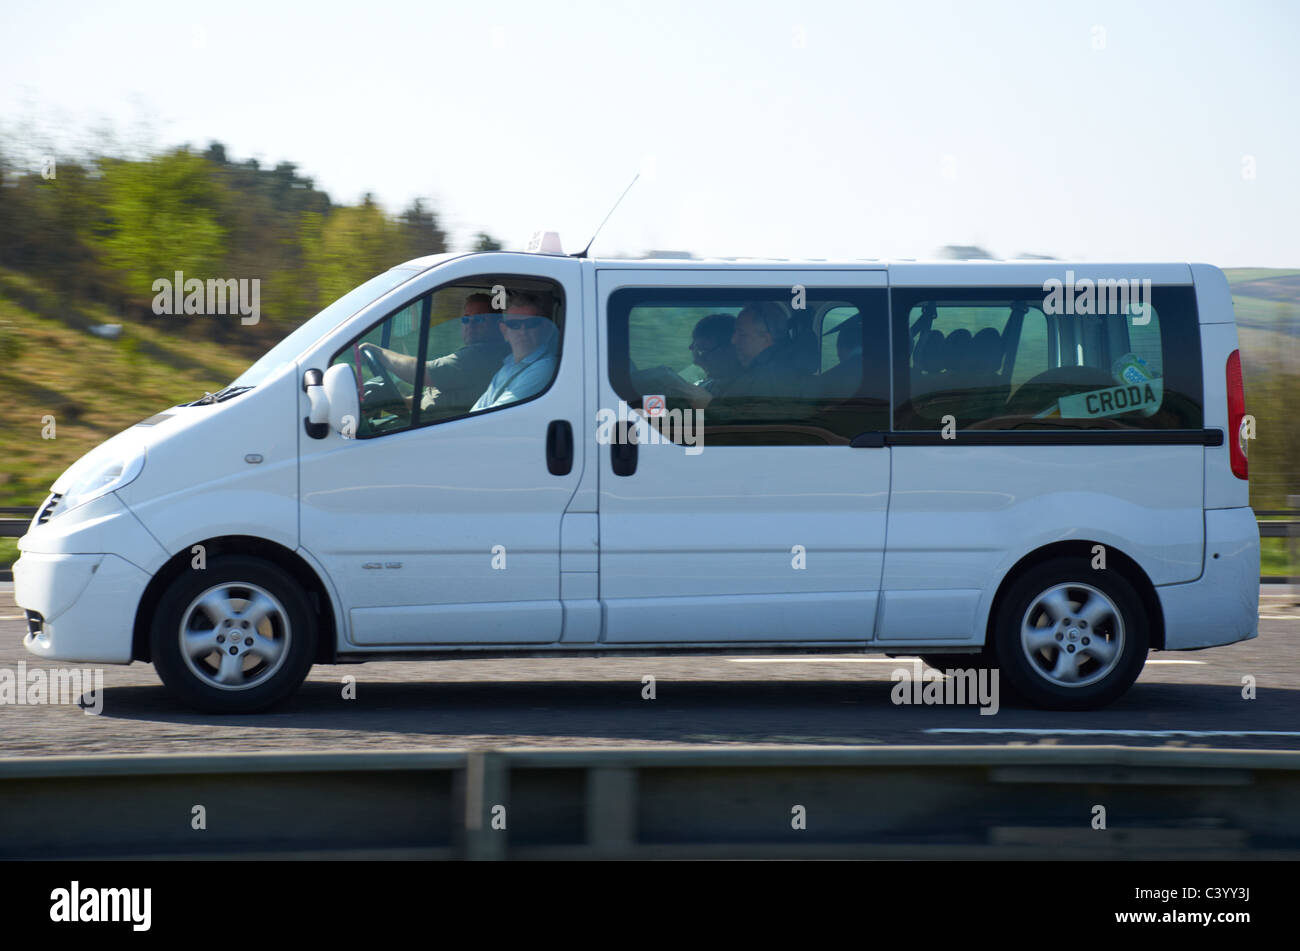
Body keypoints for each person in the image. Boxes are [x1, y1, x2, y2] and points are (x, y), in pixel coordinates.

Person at [359, 292, 508, 413]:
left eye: (479, 319)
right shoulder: (475, 354)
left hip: (433, 430)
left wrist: (378, 353)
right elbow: (433, 395)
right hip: (423, 423)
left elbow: (421, 373)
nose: (470, 325)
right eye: (466, 319)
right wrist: (399, 402)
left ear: (497, 324)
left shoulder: (482, 355)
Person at [470, 291, 560, 411]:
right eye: (514, 324)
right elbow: (478, 410)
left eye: (531, 324)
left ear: (544, 328)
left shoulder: (544, 368)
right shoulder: (508, 365)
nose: (523, 331)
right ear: (504, 330)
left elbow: (495, 414)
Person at [688, 313, 743, 395]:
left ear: (730, 349)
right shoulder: (709, 385)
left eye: (702, 351)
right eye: (695, 352)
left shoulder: (751, 389)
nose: (696, 361)